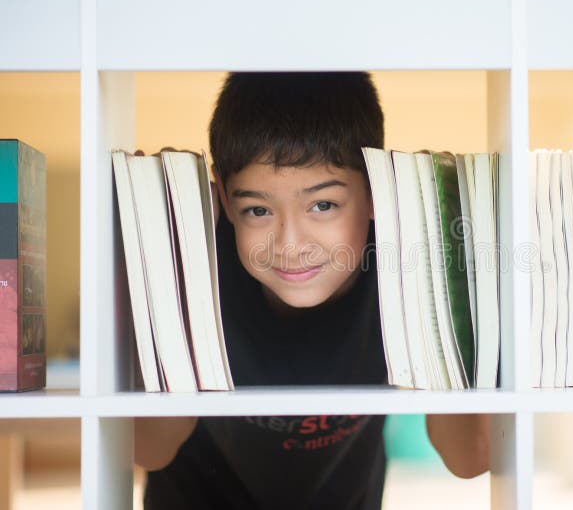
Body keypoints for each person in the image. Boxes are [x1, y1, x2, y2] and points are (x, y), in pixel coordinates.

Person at [134, 72, 490, 509]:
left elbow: (468, 458)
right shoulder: (201, 260)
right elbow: (149, 448)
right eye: (257, 209)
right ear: (225, 201)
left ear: (378, 189)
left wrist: (439, 231)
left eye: (323, 205)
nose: (290, 245)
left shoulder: (402, 268)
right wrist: (173, 255)